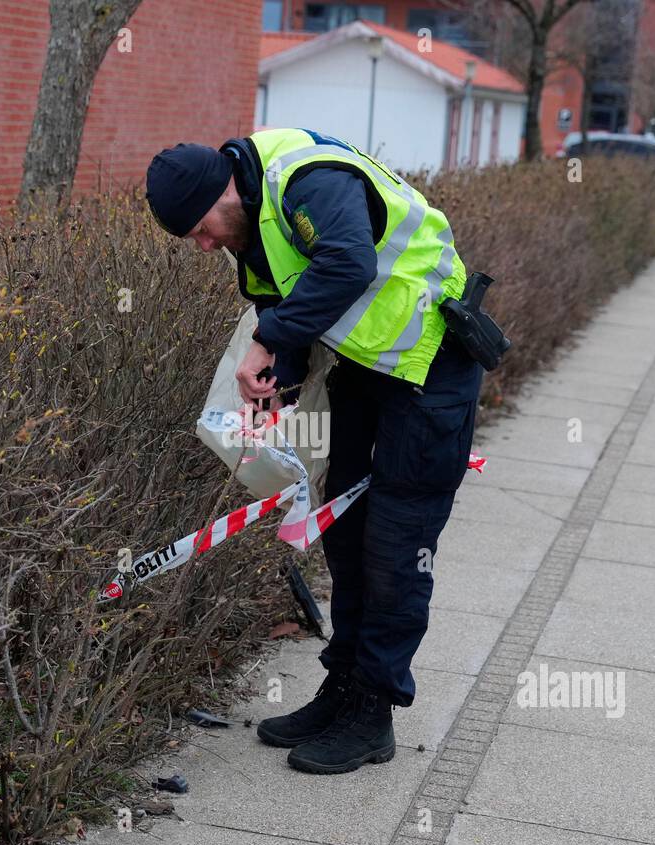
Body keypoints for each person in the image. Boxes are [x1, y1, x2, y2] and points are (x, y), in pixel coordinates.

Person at [145, 129, 483, 774]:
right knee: (345, 532)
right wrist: (282, 378)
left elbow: (346, 263)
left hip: (432, 370)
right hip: (367, 370)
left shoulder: (309, 182)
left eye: (200, 228)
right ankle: (342, 686)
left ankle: (373, 712)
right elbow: (291, 294)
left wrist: (267, 340)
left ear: (222, 191)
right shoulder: (254, 214)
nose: (203, 244)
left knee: (395, 544)